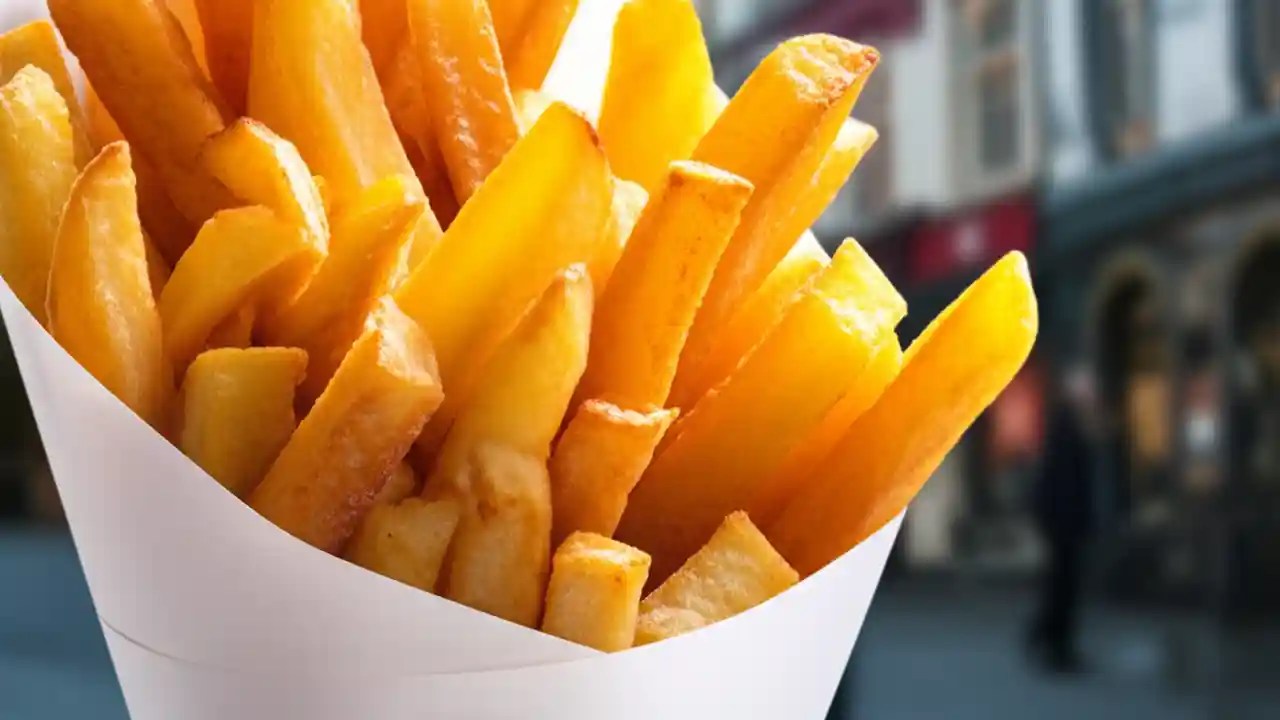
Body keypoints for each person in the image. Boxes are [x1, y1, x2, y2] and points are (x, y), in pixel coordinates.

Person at [1027, 366, 1096, 672]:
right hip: (1064, 522)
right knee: (1063, 585)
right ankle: (1054, 643)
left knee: (1061, 584)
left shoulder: (1069, 426)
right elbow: (1066, 481)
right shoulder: (1068, 428)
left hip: (1063, 521)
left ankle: (1045, 636)